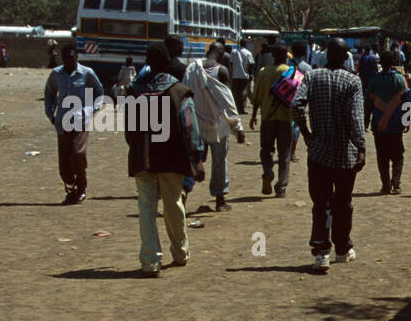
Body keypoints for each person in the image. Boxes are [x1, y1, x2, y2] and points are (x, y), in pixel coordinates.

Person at [123, 43, 204, 277]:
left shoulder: (135, 91)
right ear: (168, 62)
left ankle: (150, 261)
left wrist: (137, 149)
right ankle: (180, 252)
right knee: (174, 205)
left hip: (143, 159)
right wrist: (196, 158)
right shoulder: (179, 91)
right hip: (172, 158)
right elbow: (189, 127)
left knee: (146, 209)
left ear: (147, 63)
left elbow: (129, 129)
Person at [292, 38, 366, 274]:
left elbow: (295, 105)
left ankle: (321, 252)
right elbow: (356, 118)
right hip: (345, 154)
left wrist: (307, 134)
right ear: (346, 57)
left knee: (321, 204)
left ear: (326, 54)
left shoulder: (312, 77)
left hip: (319, 152)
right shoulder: (353, 81)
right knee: (343, 203)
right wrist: (361, 147)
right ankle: (342, 249)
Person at [43, 44, 105, 204]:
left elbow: (99, 92)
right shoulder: (56, 74)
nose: (69, 60)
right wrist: (50, 113)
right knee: (64, 159)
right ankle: (71, 190)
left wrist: (92, 109)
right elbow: (49, 92)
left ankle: (82, 187)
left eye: (72, 57)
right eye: (66, 58)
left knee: (78, 153)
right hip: (63, 120)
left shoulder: (86, 73)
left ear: (77, 57)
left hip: (81, 119)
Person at [183, 54, 245, 212]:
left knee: (192, 160)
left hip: (197, 122)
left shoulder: (191, 68)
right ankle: (219, 200)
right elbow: (228, 101)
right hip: (219, 124)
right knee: (220, 162)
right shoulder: (222, 70)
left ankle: (184, 191)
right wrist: (238, 127)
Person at [250, 43, 296, 197]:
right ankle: (281, 186)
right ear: (286, 57)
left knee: (266, 150)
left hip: (267, 118)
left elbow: (256, 97)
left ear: (273, 56)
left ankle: (268, 172)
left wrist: (253, 115)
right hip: (286, 119)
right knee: (284, 154)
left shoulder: (263, 72)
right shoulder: (292, 72)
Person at [369, 50, 411, 194]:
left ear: (380, 62)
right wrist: (408, 121)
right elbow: (407, 100)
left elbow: (368, 102)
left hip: (379, 124)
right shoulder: (401, 79)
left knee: (382, 156)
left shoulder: (374, 80)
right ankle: (396, 184)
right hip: (396, 123)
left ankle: (386, 185)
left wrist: (365, 121)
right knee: (398, 155)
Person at [288, 41, 313, 163]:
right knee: (296, 126)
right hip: (299, 100)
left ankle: (285, 151)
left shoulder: (286, 64)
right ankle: (292, 152)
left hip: (283, 99)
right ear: (304, 52)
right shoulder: (307, 68)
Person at [358, 44, 380, 128]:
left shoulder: (362, 57)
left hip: (364, 80)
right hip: (372, 80)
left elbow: (359, 68)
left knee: (365, 99)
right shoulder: (373, 57)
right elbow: (376, 69)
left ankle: (365, 121)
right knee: (373, 98)